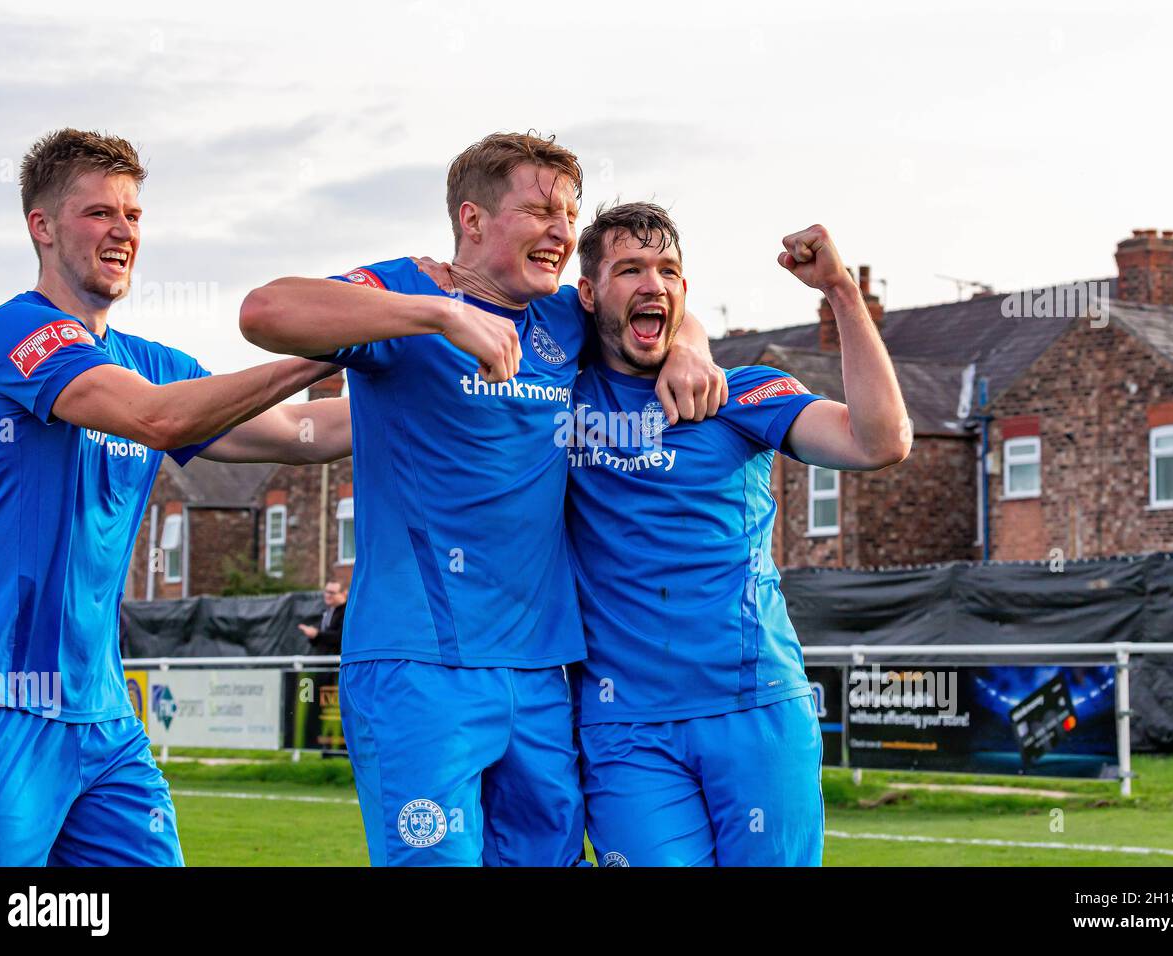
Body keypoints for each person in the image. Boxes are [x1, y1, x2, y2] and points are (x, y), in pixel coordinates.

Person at [239, 132, 725, 866]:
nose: (562, 230)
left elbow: (651, 298)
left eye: (569, 212)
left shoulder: (562, 319)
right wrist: (437, 314)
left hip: (540, 670)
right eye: (539, 211)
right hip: (419, 666)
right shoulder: (407, 290)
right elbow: (265, 310)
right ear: (472, 219)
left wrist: (692, 345)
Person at [0, 128, 352, 867]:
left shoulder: (151, 364)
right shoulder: (11, 332)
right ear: (41, 227)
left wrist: (454, 386)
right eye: (99, 213)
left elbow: (306, 431)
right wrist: (327, 346)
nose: (122, 232)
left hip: (104, 719)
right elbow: (157, 418)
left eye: (133, 216)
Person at [563, 202, 911, 866]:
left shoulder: (743, 396)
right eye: (629, 268)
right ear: (587, 294)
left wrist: (840, 291)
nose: (652, 284)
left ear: (684, 291)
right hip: (624, 726)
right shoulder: (561, 405)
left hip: (756, 709)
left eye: (668, 270)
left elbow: (882, 441)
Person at [299, 581, 347, 656]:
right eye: (326, 591)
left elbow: (341, 637)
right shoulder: (327, 611)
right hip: (324, 661)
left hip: (338, 662)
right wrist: (313, 635)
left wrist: (317, 634)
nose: (327, 595)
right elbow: (319, 639)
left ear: (344, 593)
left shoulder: (347, 612)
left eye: (332, 592)